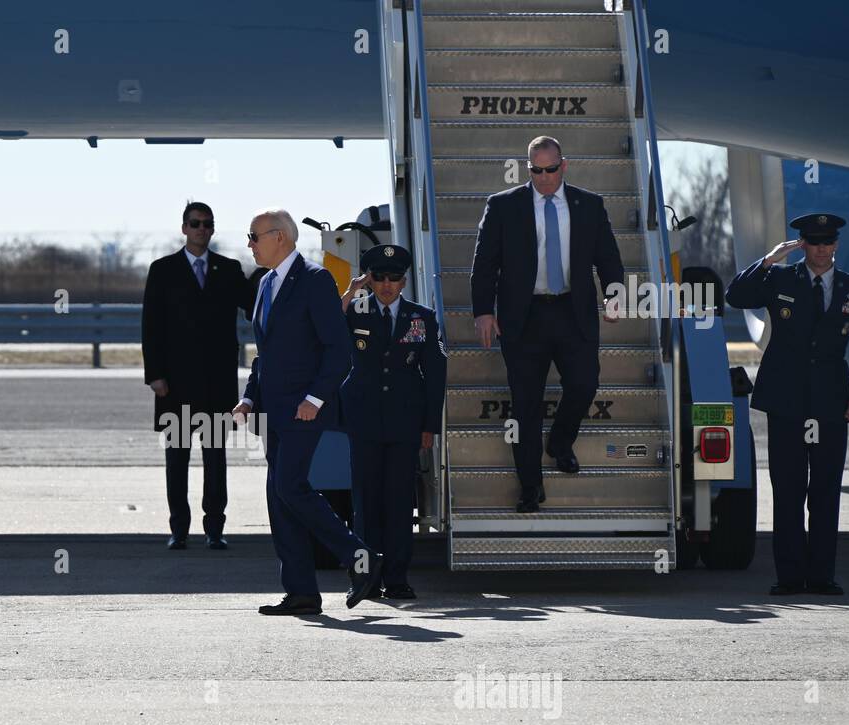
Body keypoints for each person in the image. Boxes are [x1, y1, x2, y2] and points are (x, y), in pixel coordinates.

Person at [231, 208, 382, 615]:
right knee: (279, 497)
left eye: (254, 236)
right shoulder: (264, 284)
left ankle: (360, 559)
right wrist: (249, 397)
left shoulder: (315, 281)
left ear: (279, 237)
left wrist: (314, 399)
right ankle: (301, 591)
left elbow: (338, 350)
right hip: (274, 411)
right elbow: (266, 355)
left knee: (291, 487)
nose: (250, 244)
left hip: (304, 410)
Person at [470, 135, 625, 512]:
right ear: (528, 169)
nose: (544, 178)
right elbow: (484, 264)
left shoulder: (589, 205)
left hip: (574, 311)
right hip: (524, 318)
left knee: (585, 383)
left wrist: (615, 293)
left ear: (564, 165)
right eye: (536, 171)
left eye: (550, 170)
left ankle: (559, 442)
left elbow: (608, 257)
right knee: (525, 405)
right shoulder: (503, 206)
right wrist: (483, 312)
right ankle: (530, 485)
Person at [726, 213, 849, 596]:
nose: (820, 249)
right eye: (813, 242)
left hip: (831, 401)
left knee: (824, 490)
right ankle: (789, 576)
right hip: (786, 399)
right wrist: (768, 259)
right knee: (787, 489)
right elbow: (735, 296)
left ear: (835, 244)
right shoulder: (780, 279)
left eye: (827, 242)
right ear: (803, 244)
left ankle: (821, 576)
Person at [338, 244, 446, 600]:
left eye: (394, 278)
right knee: (366, 502)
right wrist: (352, 291)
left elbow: (434, 373)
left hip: (405, 421)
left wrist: (429, 425)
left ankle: (397, 578)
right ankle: (367, 577)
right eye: (379, 278)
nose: (386, 285)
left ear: (404, 280)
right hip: (363, 418)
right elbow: (327, 326)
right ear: (370, 279)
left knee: (400, 500)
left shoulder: (422, 317)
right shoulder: (355, 310)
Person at [142, 202, 249, 550]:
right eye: (195, 223)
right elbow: (151, 326)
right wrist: (155, 375)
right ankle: (179, 529)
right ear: (184, 228)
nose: (201, 229)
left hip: (217, 384)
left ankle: (215, 529)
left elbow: (254, 303)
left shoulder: (229, 269)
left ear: (213, 229)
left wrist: (276, 266)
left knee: (216, 458)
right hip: (174, 384)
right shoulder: (163, 270)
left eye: (207, 224)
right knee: (177, 458)